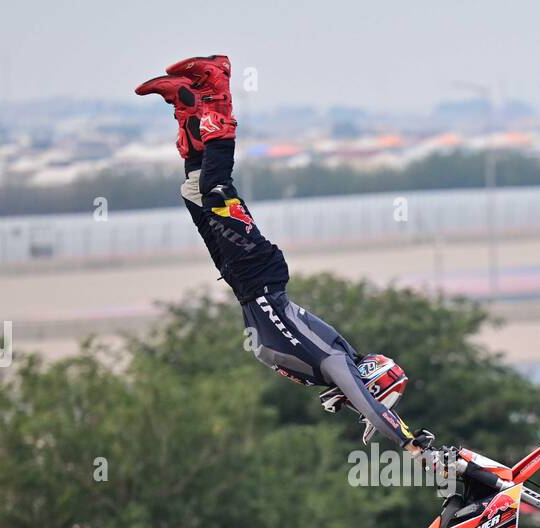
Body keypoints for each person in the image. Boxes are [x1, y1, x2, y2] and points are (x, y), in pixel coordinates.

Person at [136, 55, 433, 453]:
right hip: (257, 271)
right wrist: (409, 443)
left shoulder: (326, 370)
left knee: (193, 193)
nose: (352, 404)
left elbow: (363, 403)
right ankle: (216, 88)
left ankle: (187, 103)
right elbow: (370, 405)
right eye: (367, 398)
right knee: (215, 189)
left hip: (243, 278)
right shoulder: (336, 364)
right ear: (374, 383)